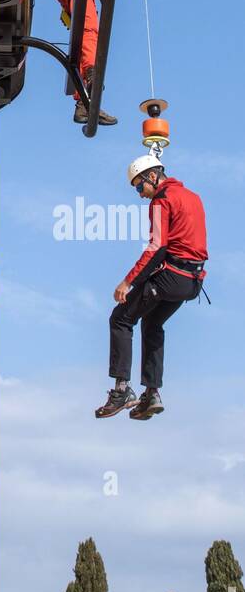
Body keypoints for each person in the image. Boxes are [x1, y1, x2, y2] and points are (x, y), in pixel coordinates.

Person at [95, 156, 208, 420]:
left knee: (120, 318)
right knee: (152, 324)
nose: (140, 194)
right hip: (192, 281)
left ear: (153, 177)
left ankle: (122, 390)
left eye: (138, 187)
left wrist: (128, 281)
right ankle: (152, 393)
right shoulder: (193, 196)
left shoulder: (161, 200)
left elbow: (157, 247)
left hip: (171, 276)